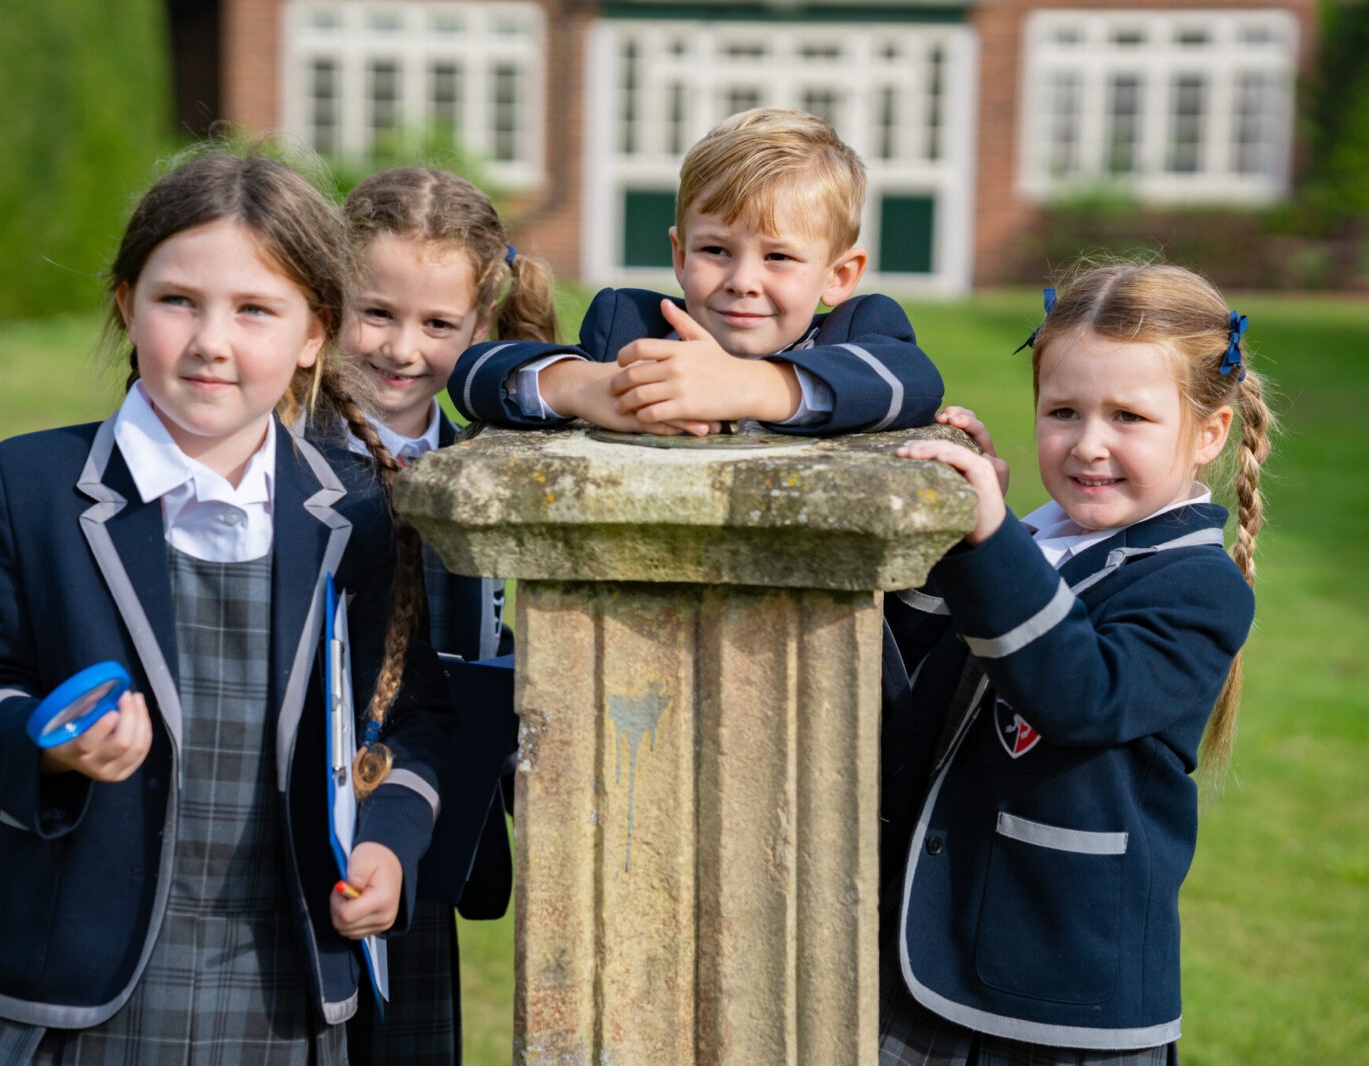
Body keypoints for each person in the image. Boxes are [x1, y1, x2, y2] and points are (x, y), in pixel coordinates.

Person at [0, 147, 455, 1066]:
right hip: (78, 987)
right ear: (127, 302)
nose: (213, 340)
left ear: (314, 334)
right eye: (179, 301)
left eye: (255, 310)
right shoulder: (32, 483)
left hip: (288, 982)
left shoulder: (362, 510)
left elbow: (407, 718)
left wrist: (391, 848)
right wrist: (46, 746)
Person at [880, 262, 1274, 1063]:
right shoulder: (1033, 543)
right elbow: (912, 692)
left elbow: (1078, 692)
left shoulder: (1199, 587)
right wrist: (948, 530)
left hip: (1060, 1000)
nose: (1089, 445)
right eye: (1063, 411)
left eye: (1129, 416)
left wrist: (990, 547)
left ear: (1208, 433)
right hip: (933, 954)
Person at [329, 166, 557, 1064]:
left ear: (483, 327)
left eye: (438, 326)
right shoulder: (278, 459)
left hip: (422, 823)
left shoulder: (495, 461)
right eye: (375, 313)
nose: (401, 349)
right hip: (293, 815)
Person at [448, 107, 942, 436]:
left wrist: (751, 385)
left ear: (838, 275)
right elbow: (471, 376)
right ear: (680, 257)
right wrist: (583, 387)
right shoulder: (633, 331)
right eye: (716, 250)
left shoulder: (856, 333)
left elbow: (915, 383)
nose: (743, 280)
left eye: (779, 257)